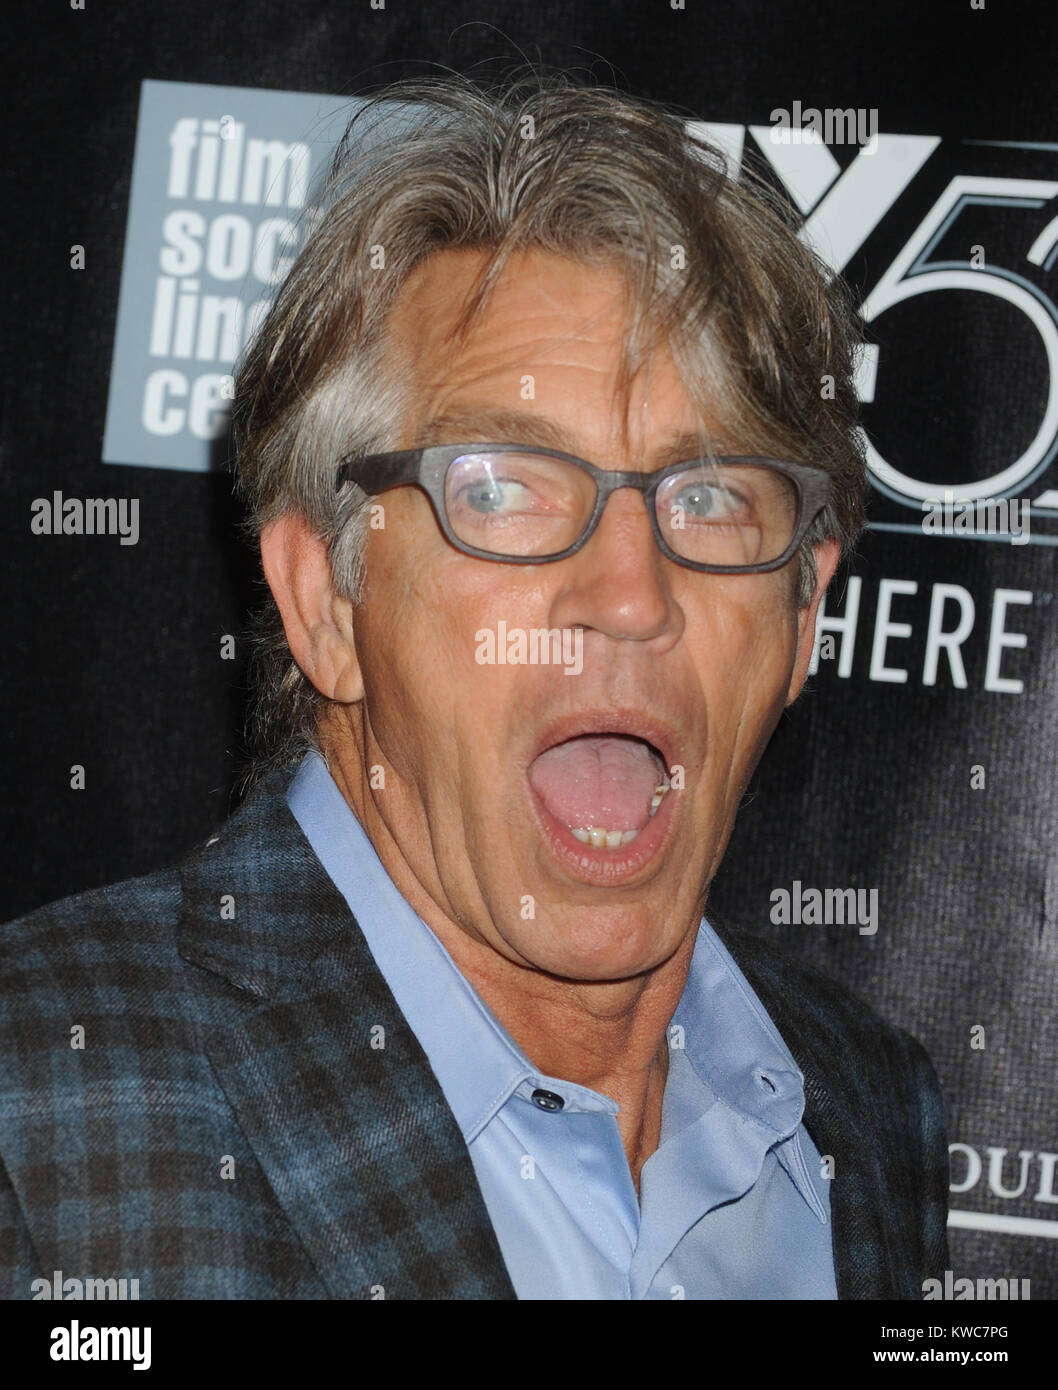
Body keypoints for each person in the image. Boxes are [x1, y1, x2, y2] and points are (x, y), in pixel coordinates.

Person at [0, 73, 948, 1300]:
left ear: (804, 611)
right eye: (501, 488)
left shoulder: (868, 1107)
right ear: (324, 603)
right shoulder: (36, 1107)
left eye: (708, 497)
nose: (629, 594)